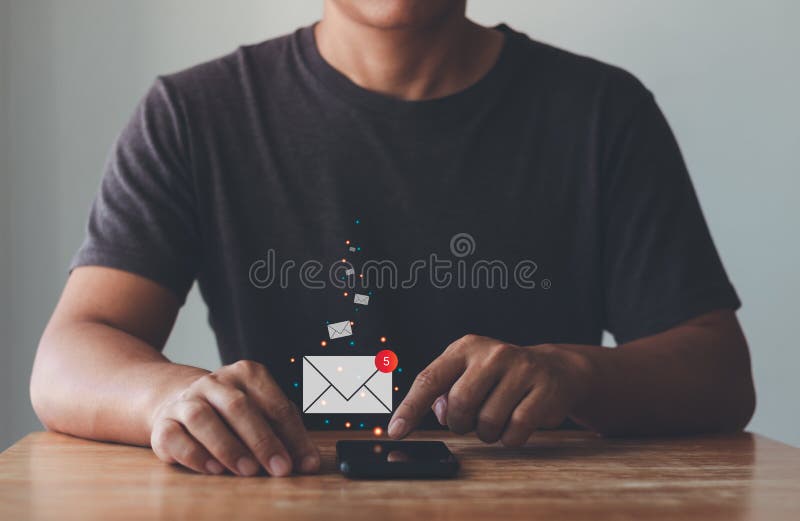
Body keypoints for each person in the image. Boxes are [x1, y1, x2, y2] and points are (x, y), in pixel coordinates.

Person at [30, 0, 755, 478]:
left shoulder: (604, 114)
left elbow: (719, 371)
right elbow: (70, 354)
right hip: (287, 496)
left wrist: (577, 371)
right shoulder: (194, 115)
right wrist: (167, 397)